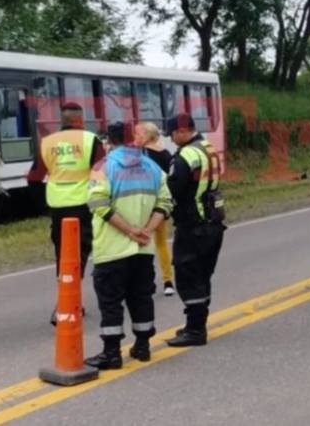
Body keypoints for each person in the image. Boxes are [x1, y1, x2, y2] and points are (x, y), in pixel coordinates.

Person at [83, 122, 173, 369]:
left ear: (109, 142)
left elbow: (98, 204)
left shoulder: (103, 167)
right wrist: (147, 230)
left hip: (112, 249)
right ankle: (142, 347)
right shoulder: (152, 167)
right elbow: (165, 203)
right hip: (143, 249)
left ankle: (111, 353)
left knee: (110, 301)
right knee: (141, 297)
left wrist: (129, 231)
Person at [32, 101, 105, 324]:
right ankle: (66, 303)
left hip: (57, 205)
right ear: (80, 120)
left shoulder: (47, 142)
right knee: (79, 255)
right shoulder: (90, 140)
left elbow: (34, 177)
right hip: (83, 205)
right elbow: (101, 173)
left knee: (62, 255)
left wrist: (45, 202)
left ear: (61, 121)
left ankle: (67, 300)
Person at [164, 113, 226, 348]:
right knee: (202, 276)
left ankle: (195, 330)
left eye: (172, 134)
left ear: (181, 131)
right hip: (213, 222)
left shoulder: (184, 156)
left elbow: (173, 190)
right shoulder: (208, 148)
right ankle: (197, 323)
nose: (171, 139)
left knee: (188, 277)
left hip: (193, 225)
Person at [134, 121, 176, 297]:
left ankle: (146, 282)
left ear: (147, 136)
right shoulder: (167, 154)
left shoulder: (140, 154)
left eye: (139, 134)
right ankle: (168, 281)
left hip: (144, 204)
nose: (136, 138)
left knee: (142, 242)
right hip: (160, 204)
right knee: (161, 243)